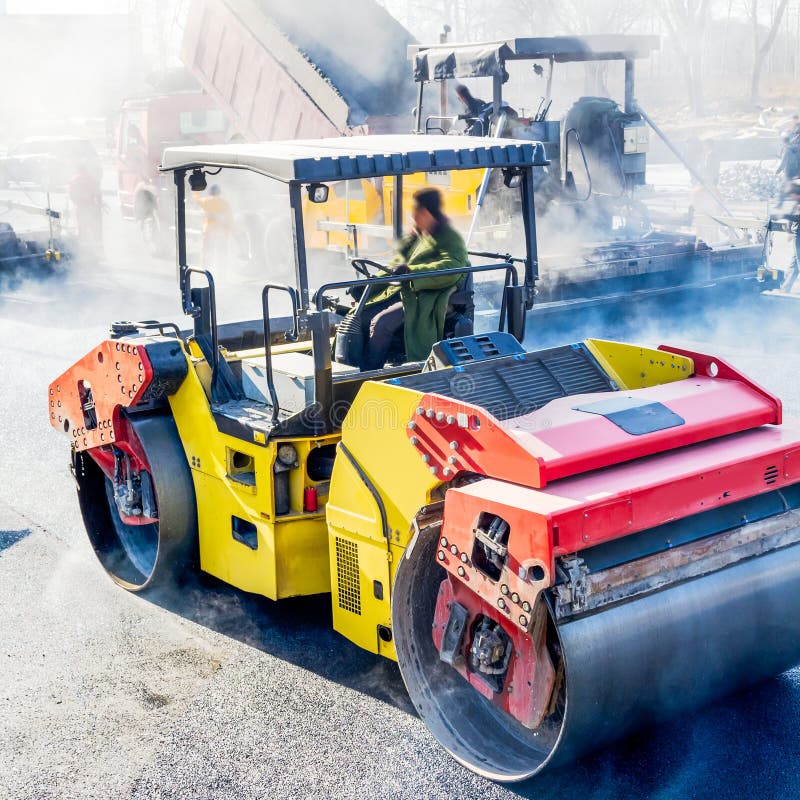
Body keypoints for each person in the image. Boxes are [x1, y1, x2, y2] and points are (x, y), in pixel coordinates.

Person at [363, 187, 468, 370]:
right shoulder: (419, 236)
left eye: (415, 213)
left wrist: (411, 271)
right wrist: (369, 285)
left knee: (381, 322)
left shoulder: (450, 238)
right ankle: (353, 365)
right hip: (409, 291)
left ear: (425, 212)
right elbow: (396, 264)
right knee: (360, 315)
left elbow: (452, 267)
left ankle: (372, 373)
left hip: (429, 297)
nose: (413, 217)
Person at [68, 162, 104, 260]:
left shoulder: (73, 180)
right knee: (96, 232)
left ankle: (82, 255)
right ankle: (99, 255)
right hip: (93, 208)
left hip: (81, 208)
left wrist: (78, 204)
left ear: (77, 169)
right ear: (85, 169)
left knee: (82, 232)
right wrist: (99, 205)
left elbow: (71, 195)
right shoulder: (91, 178)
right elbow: (98, 193)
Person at [193, 184, 233, 267]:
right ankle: (221, 270)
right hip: (221, 232)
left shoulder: (206, 201)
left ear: (210, 192)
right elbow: (229, 218)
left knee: (207, 252)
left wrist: (194, 189)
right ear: (219, 192)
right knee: (221, 254)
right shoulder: (225, 203)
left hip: (209, 231)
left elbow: (197, 199)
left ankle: (206, 270)